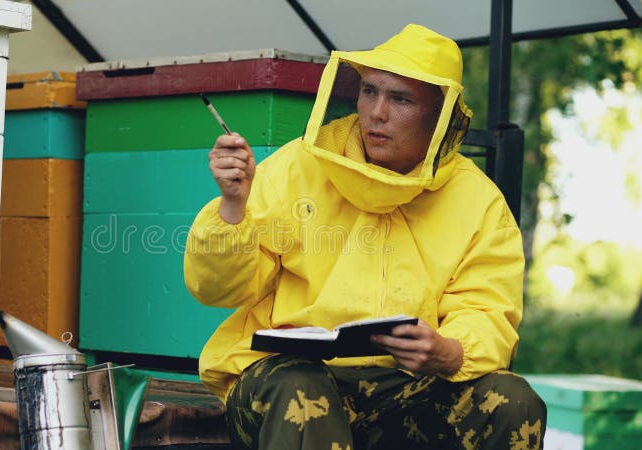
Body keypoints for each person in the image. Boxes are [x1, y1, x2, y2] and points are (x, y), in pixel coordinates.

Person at [184, 24, 546, 450]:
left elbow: (487, 309)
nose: (377, 112)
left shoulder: (479, 201)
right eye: (370, 91)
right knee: (302, 391)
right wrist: (232, 209)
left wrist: (451, 350)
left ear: (440, 115)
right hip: (288, 383)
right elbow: (217, 289)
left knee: (514, 401)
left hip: (411, 389)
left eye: (401, 99)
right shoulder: (295, 168)